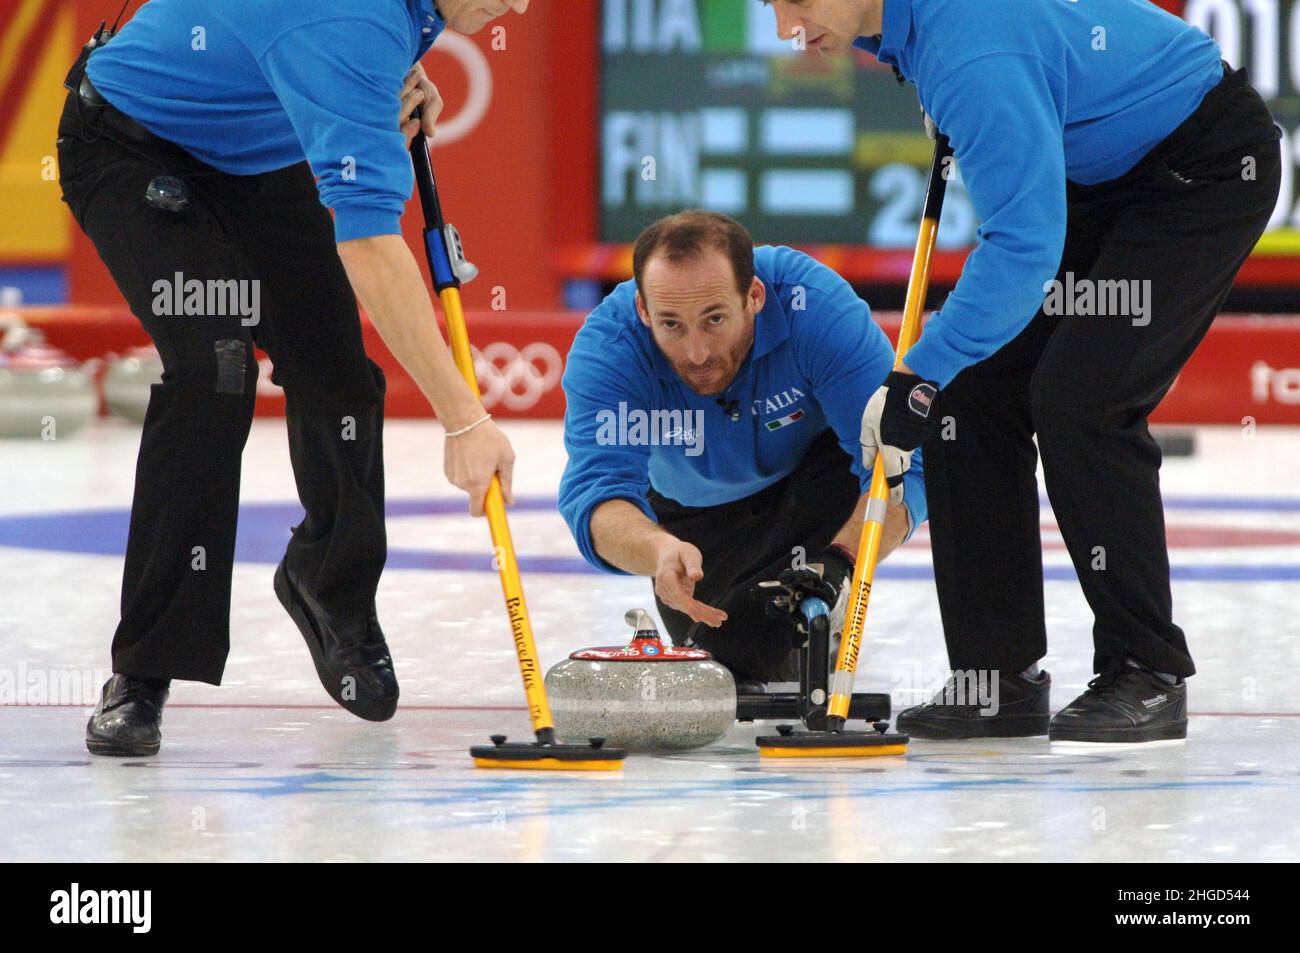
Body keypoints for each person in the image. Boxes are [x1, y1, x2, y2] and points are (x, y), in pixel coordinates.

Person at [767, 0, 1282, 741]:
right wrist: (941, 379)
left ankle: (1147, 669)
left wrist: (916, 374)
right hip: (1101, 172)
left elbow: (1022, 248)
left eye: (799, 0)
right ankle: (996, 677)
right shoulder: (920, 30)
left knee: (1082, 398)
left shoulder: (970, 54)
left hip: (1198, 169)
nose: (788, 25)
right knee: (969, 392)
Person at [58, 0, 531, 756]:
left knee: (339, 375)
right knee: (214, 367)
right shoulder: (347, 23)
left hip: (257, 159)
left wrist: (392, 71)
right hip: (132, 145)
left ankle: (328, 584)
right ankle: (144, 669)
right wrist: (464, 421)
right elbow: (371, 243)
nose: (520, 6)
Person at [558, 210, 926, 685]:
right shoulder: (610, 350)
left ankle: (822, 604)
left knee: (776, 640)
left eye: (714, 319)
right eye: (671, 325)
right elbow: (596, 497)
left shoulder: (816, 309)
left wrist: (843, 562)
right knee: (730, 667)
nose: (697, 353)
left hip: (817, 486)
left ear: (754, 296)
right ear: (643, 311)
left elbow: (905, 465)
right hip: (695, 520)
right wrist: (658, 550)